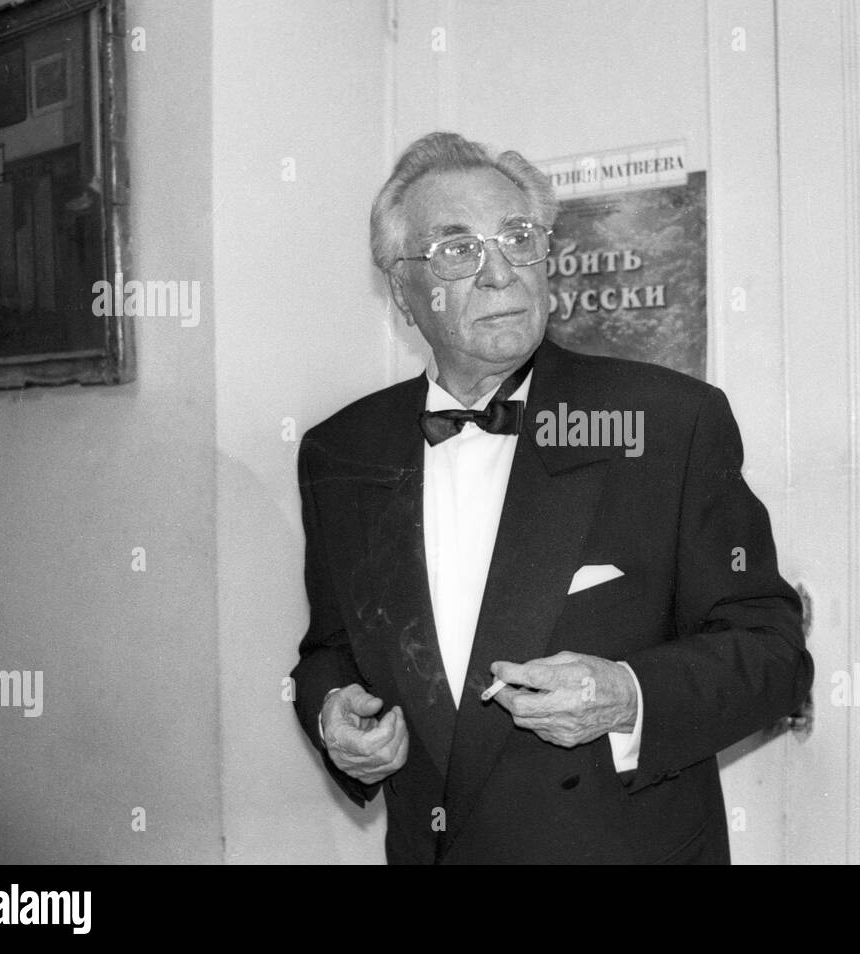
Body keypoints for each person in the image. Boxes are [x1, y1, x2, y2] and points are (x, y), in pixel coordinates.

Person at [289, 132, 812, 865]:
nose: (502, 273)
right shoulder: (343, 451)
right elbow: (331, 647)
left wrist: (630, 694)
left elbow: (774, 656)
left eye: (519, 238)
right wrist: (330, 711)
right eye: (457, 249)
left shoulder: (665, 423)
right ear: (404, 294)